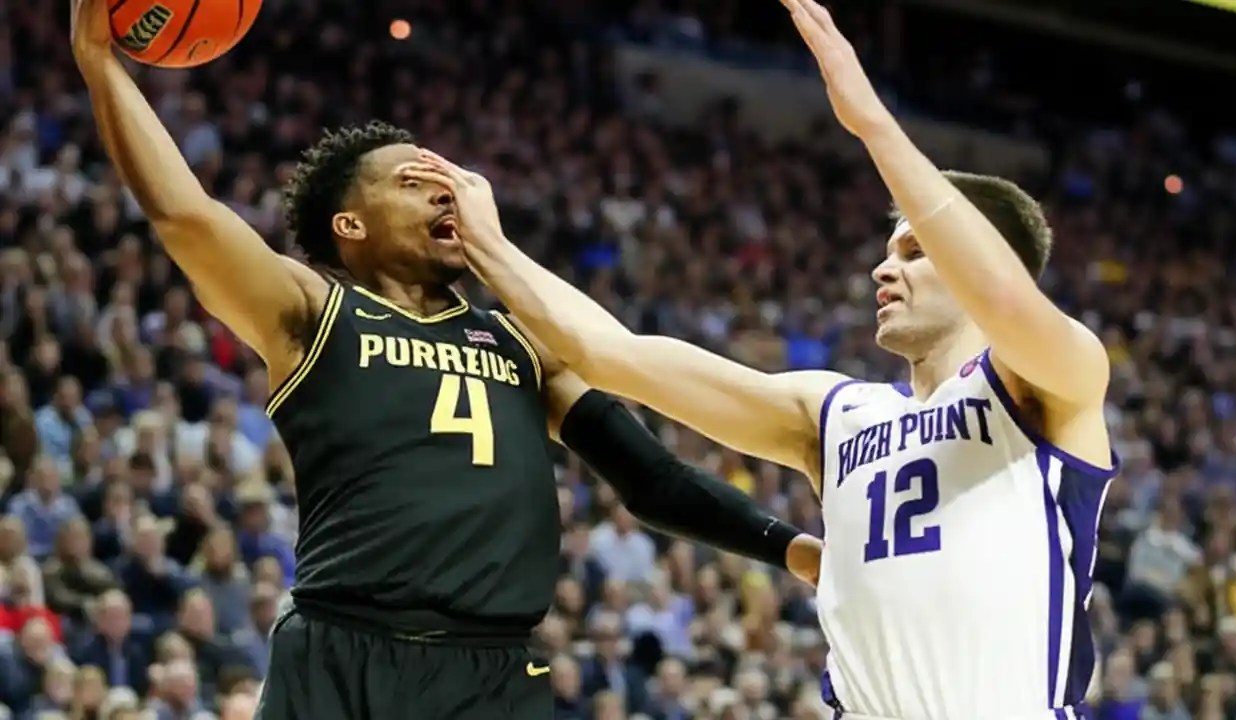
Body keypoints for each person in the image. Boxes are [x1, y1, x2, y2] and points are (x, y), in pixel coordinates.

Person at [68, 0, 821, 718]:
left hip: (491, 671)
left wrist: (788, 547)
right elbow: (186, 216)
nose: (444, 197)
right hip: (339, 651)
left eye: (448, 184)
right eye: (414, 183)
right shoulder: (314, 312)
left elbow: (649, 478)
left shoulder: (524, 344)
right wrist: (102, 65)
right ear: (350, 223)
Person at [432, 0, 1118, 717]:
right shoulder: (836, 413)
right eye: (887, 252)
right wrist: (488, 245)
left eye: (914, 251)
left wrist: (874, 126)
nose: (884, 272)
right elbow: (613, 355)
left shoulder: (1053, 382)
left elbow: (1005, 303)